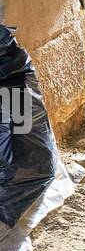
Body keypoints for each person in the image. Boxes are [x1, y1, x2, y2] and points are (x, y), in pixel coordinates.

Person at [0, 23, 59, 230]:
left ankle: (10, 206)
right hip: (14, 90)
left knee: (23, 143)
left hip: (14, 90)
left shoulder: (12, 64)